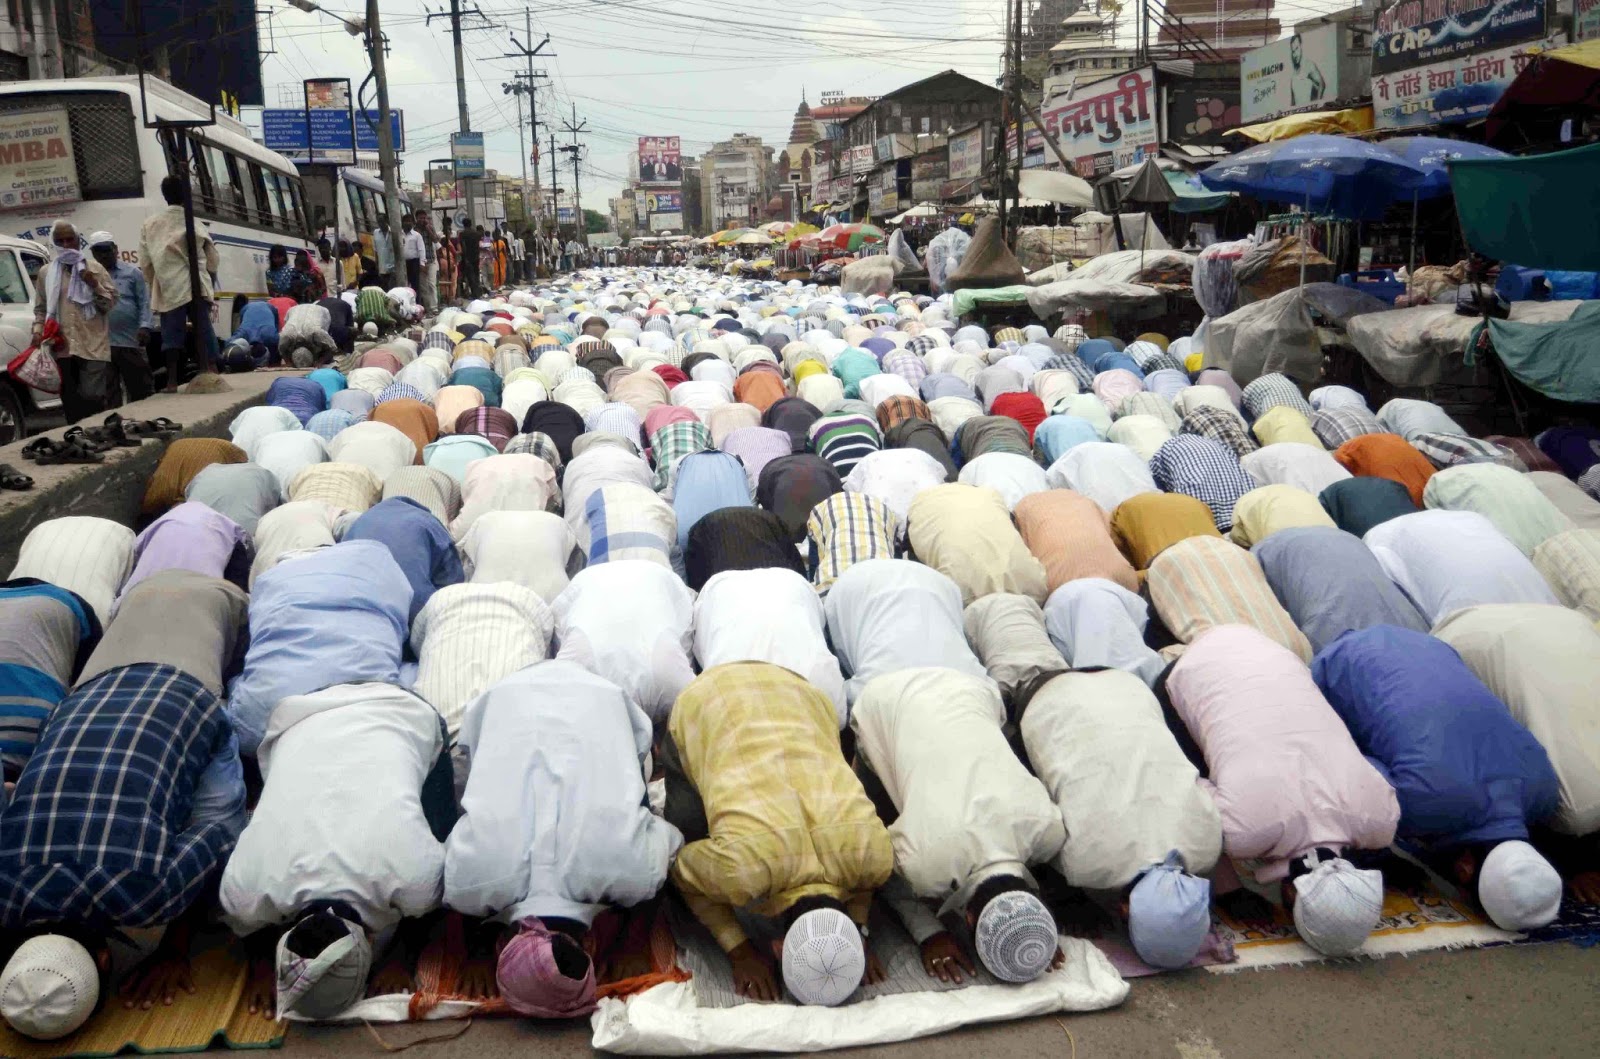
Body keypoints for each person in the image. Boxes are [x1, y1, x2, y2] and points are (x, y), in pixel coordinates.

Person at [0, 572, 248, 1039]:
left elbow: (214, 838)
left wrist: (175, 949)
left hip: (188, 697)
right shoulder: (4, 891)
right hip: (82, 700)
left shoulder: (145, 894)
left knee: (224, 823)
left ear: (106, 959)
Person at [443, 662, 682, 1015]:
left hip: (587, 701)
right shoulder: (467, 884)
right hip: (517, 699)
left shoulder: (632, 874)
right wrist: (629, 946)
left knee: (631, 808)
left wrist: (631, 945)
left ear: (589, 941)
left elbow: (668, 845)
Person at [664, 662, 894, 1005]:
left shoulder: (875, 854)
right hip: (706, 700)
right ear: (776, 948)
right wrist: (739, 951)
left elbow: (864, 882)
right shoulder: (740, 872)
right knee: (684, 827)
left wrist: (857, 928)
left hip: (803, 693)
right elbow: (679, 870)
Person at [1161, 625, 1399, 956]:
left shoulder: (1382, 821)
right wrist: (1229, 891)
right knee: (1190, 771)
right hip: (1194, 669)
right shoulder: (1244, 833)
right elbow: (1185, 791)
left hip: (1277, 654)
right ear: (1288, 896)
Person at [218, 680, 449, 1019]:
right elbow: (249, 925)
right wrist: (265, 968)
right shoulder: (247, 890)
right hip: (306, 713)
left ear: (370, 942)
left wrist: (401, 958)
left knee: (442, 827)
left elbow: (439, 904)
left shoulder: (413, 879)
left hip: (389, 709)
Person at [1312, 626, 1564, 931]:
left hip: (1428, 644)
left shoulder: (1545, 792)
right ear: (1465, 868)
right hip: (1338, 662)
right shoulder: (1418, 807)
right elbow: (1349, 769)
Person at [852, 668, 1067, 985]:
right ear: (966, 919)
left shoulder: (1048, 830)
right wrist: (930, 934)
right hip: (883, 700)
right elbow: (887, 878)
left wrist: (1032, 932)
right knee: (872, 815)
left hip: (969, 686)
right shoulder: (927, 864)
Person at [1021, 667, 1221, 968]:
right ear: (1124, 910)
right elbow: (1039, 833)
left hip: (1130, 688)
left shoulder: (1207, 847)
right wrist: (1064, 898)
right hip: (1047, 699)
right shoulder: (1086, 865)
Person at [32, 219, 117, 423]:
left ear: (79, 241)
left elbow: (109, 304)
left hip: (92, 343)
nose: (66, 245)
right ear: (54, 243)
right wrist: (37, 331)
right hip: (61, 346)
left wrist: (94, 285)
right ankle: (78, 441)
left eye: (70, 239)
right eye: (60, 241)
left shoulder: (94, 268)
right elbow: (41, 309)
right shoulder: (47, 273)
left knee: (93, 396)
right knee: (70, 401)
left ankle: (97, 434)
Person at [140, 175, 219, 392]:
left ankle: (172, 382)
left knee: (171, 333)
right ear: (186, 195)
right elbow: (212, 257)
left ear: (164, 196)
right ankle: (211, 372)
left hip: (169, 285)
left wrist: (156, 281)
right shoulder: (193, 221)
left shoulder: (151, 224)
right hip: (196, 284)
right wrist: (209, 279)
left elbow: (145, 261)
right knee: (203, 328)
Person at [88, 230, 154, 406]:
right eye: (98, 251)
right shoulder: (88, 275)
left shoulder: (133, 273)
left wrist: (145, 326)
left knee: (140, 388)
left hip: (130, 341)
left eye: (107, 250)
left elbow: (144, 302)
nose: (103, 255)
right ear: (93, 253)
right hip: (103, 344)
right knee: (110, 393)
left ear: (115, 249)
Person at [228, 294, 280, 366]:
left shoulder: (243, 332)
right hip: (266, 329)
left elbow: (229, 343)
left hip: (260, 328)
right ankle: (273, 362)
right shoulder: (269, 335)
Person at [400, 214, 425, 295]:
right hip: (402, 263)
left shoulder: (417, 235)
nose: (408, 223)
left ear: (413, 223)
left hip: (414, 262)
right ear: (402, 223)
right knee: (403, 284)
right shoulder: (399, 234)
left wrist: (422, 263)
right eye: (406, 221)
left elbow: (421, 249)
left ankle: (417, 303)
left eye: (410, 221)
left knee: (415, 284)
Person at [436, 222, 459, 304]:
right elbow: (438, 255)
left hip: (450, 265)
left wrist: (454, 264)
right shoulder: (441, 243)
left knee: (451, 282)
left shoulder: (449, 243)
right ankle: (446, 298)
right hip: (443, 266)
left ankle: (450, 298)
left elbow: (455, 254)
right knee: (444, 282)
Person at [458, 224, 480, 300]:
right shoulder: (476, 233)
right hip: (476, 257)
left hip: (467, 258)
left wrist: (465, 258)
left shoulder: (463, 234)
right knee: (476, 275)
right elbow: (478, 245)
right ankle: (478, 293)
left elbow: (463, 246)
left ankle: (474, 293)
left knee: (470, 276)